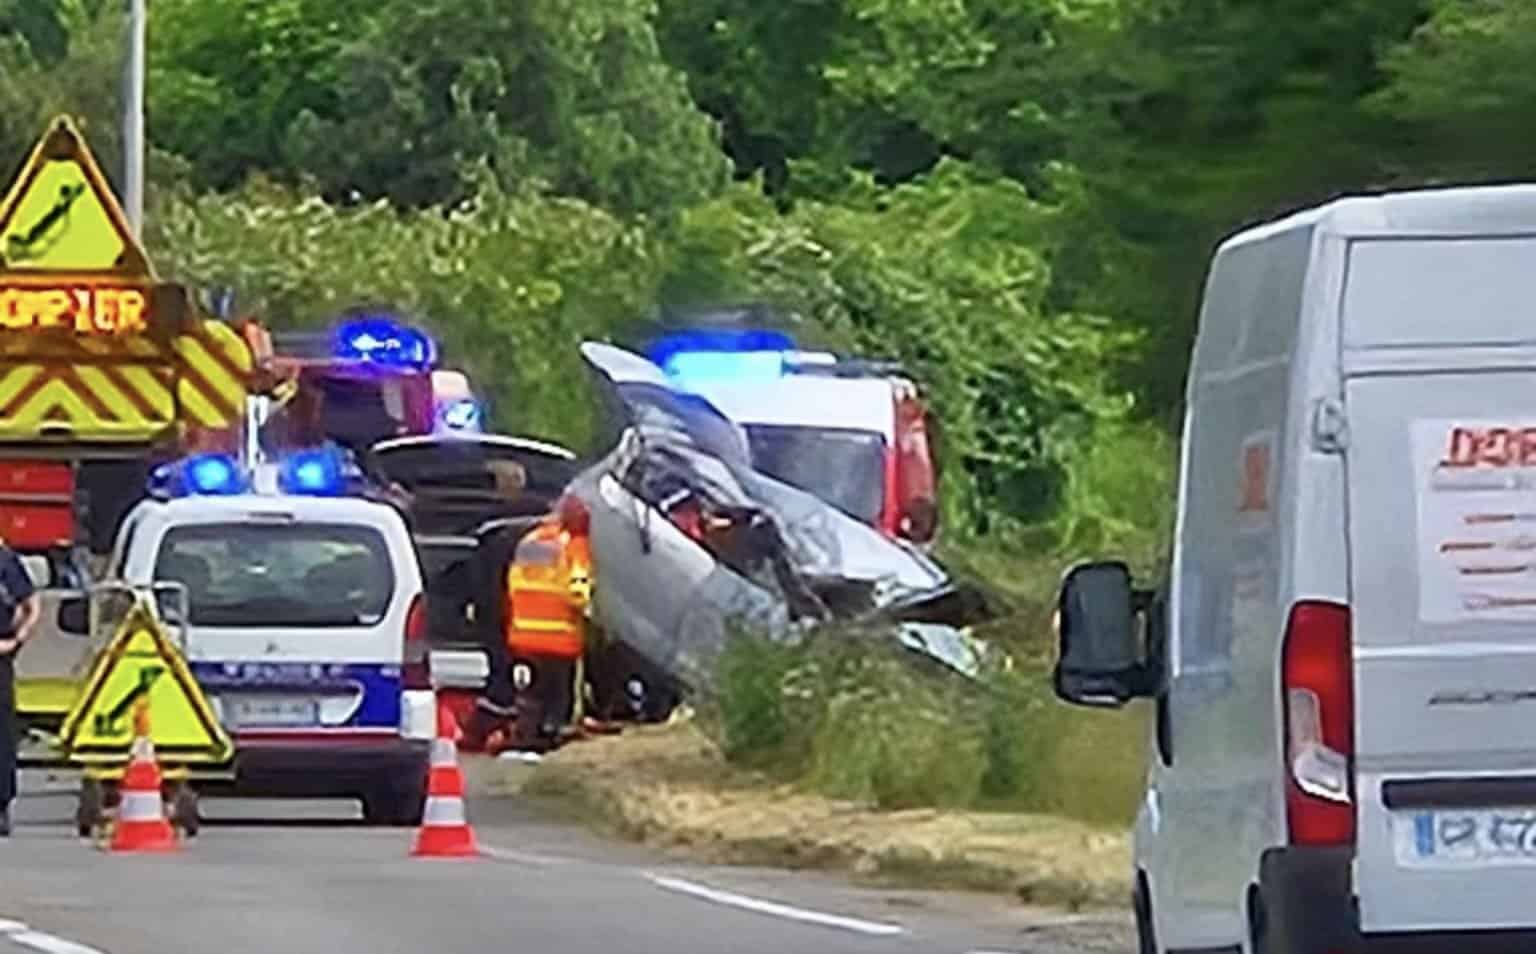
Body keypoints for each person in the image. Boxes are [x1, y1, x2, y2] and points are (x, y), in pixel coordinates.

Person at [503, 494, 592, 752]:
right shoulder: (574, 545)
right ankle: (552, 735)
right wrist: (590, 610)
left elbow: (513, 583)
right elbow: (578, 591)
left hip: (524, 633)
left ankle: (527, 734)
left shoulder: (532, 541)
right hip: (559, 636)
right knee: (559, 692)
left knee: (531, 691)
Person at [0, 535, 42, 836]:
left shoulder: (6, 563)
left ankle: (1, 804)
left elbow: (32, 603)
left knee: (2, 733)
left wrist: (17, 640)